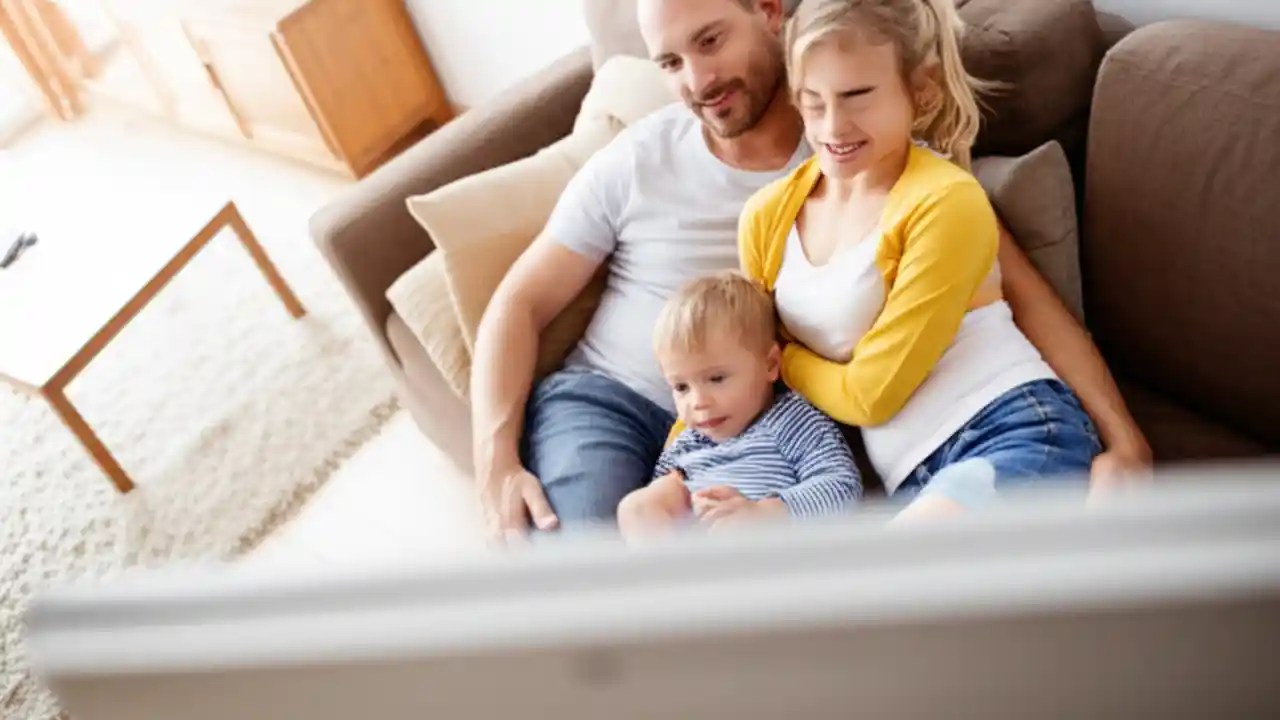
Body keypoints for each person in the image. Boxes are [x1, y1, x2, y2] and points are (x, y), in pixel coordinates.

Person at [469, 0, 1150, 541]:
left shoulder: (883, 161)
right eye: (670, 62)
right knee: (589, 583)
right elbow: (518, 301)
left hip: (792, 424)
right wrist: (495, 460)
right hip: (626, 404)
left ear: (768, 13)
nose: (698, 82)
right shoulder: (660, 161)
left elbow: (1022, 299)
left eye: (710, 41)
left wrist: (1127, 442)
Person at [740, 0, 1104, 518]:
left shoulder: (946, 201)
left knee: (880, 596)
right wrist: (678, 466)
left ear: (922, 89)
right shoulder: (766, 215)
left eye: (857, 95)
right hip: (914, 479)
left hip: (1011, 431)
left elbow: (872, 396)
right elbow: (741, 360)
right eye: (813, 101)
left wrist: (782, 355)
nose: (833, 127)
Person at [617, 271, 861, 540]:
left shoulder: (791, 420)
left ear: (770, 365)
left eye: (716, 378)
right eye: (681, 387)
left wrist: (763, 514)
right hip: (696, 562)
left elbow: (842, 487)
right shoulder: (685, 445)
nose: (698, 402)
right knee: (636, 508)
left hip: (765, 559)